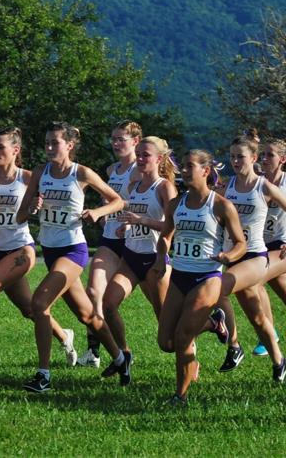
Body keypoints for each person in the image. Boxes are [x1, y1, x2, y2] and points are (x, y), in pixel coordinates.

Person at [17, 122, 126, 393]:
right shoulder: (41, 172)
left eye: (55, 142)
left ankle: (43, 375)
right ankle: (121, 358)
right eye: (47, 143)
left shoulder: (82, 173)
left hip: (73, 250)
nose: (50, 147)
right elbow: (21, 215)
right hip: (51, 251)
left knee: (39, 304)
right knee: (87, 315)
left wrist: (98, 213)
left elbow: (118, 200)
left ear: (69, 145)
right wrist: (33, 206)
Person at [0, 127, 74, 378]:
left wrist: (37, 205)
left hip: (20, 249)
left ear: (15, 150)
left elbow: (57, 199)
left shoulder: (29, 178)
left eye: (0, 147)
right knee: (29, 308)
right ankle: (63, 335)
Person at [155, 150, 248, 403]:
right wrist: (159, 260)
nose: (183, 171)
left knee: (184, 337)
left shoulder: (221, 205)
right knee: (166, 342)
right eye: (182, 166)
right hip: (179, 276)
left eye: (189, 166)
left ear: (205, 171)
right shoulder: (176, 204)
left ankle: (180, 396)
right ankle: (213, 323)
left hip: (207, 277)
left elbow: (241, 243)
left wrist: (229, 256)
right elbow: (165, 236)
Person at [210, 131, 286, 376]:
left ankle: (234, 346)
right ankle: (280, 361)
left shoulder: (266, 185)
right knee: (258, 317)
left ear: (252, 158)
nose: (235, 161)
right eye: (232, 157)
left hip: (262, 253)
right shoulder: (228, 186)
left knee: (217, 288)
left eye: (241, 157)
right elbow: (211, 213)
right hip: (234, 254)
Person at [100, 136, 178, 384]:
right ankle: (125, 354)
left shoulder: (164, 187)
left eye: (146, 155)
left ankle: (210, 324)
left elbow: (172, 225)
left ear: (159, 159)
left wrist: (141, 221)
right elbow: (134, 218)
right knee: (108, 304)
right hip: (131, 258)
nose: (141, 159)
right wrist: (127, 228)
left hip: (155, 260)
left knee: (167, 332)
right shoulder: (133, 186)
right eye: (140, 154)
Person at [80, 121, 141, 367]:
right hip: (110, 240)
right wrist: (106, 213)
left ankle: (204, 328)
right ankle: (103, 352)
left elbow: (142, 202)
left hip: (137, 243)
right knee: (94, 293)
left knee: (162, 306)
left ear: (135, 141)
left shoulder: (141, 169)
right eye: (113, 139)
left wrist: (128, 222)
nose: (116, 144)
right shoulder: (112, 169)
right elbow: (114, 198)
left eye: (121, 139)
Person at [254, 138, 286, 356]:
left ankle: (269, 332)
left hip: (283, 246)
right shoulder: (256, 183)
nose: (265, 159)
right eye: (263, 154)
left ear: (283, 159)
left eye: (270, 155)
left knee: (255, 278)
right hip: (260, 245)